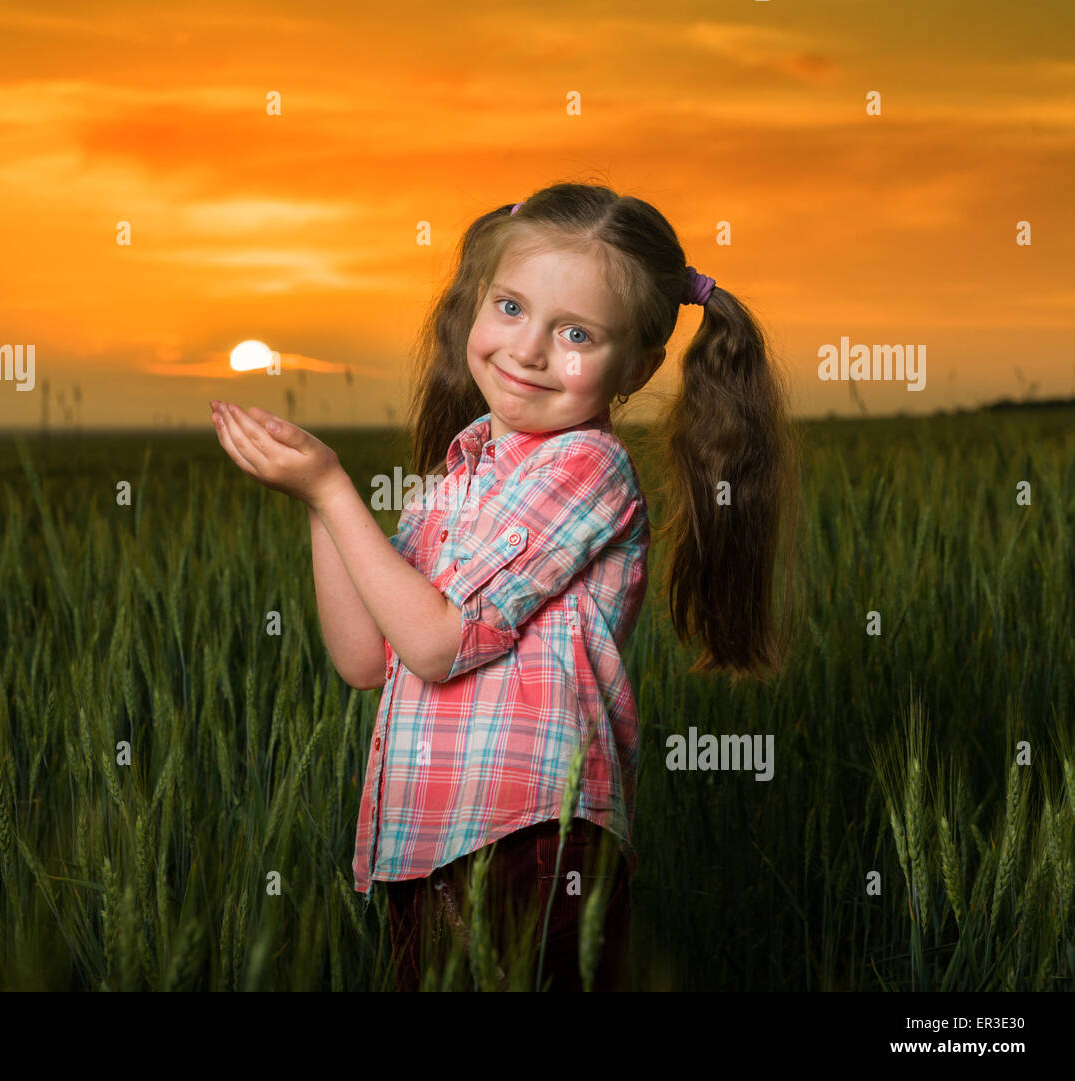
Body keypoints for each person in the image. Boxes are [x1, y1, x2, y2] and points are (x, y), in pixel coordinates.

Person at [209, 181, 799, 991]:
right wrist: (317, 507)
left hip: (534, 841)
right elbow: (367, 658)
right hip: (427, 842)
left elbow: (438, 641)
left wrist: (335, 489)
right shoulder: (466, 470)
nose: (527, 350)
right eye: (512, 308)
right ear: (476, 303)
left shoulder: (588, 467)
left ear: (638, 365)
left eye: (577, 333)